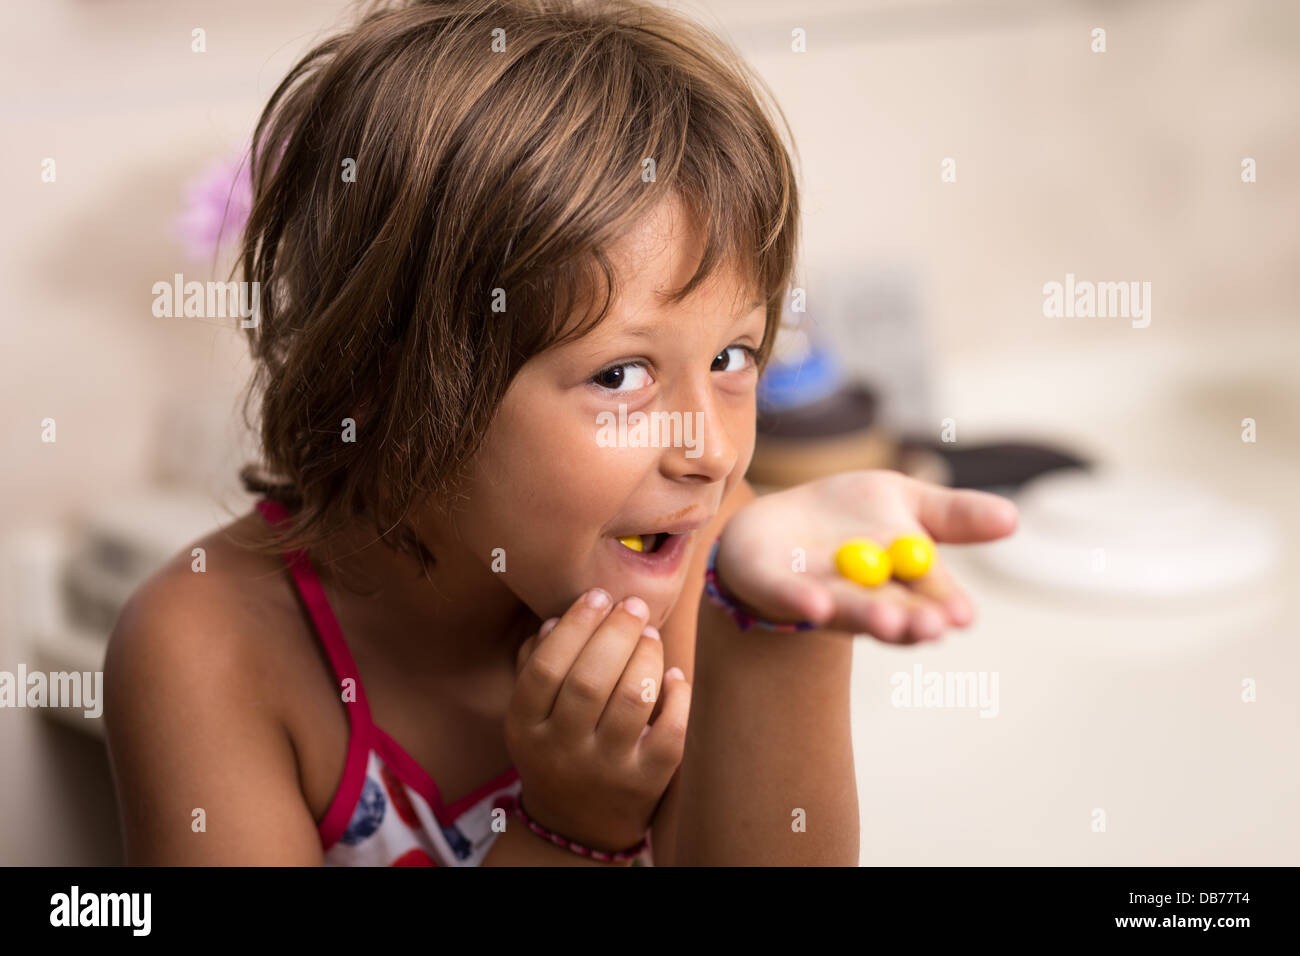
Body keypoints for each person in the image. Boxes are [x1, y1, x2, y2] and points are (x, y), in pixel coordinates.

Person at [104, 0, 1017, 866]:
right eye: (621, 375)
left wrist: (783, 631)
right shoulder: (208, 649)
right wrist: (570, 828)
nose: (711, 452)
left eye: (737, 357)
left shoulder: (701, 558)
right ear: (391, 388)